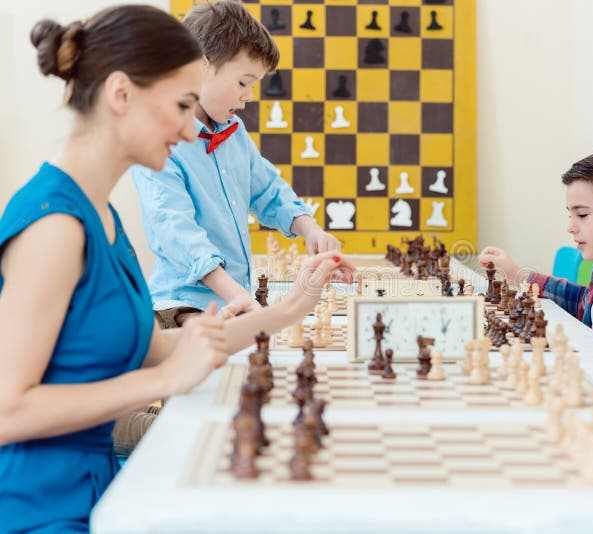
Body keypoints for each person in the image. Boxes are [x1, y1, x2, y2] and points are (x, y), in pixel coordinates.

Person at [0, 7, 354, 532]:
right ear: (121, 95)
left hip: (97, 497)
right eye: (183, 106)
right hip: (43, 511)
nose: (195, 132)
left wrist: (293, 307)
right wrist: (165, 380)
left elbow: (161, 349)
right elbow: (8, 411)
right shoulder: (55, 224)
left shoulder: (103, 217)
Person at [132, 0, 339, 329]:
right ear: (202, 67)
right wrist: (235, 294)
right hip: (182, 307)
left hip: (232, 300)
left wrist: (309, 229)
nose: (249, 97)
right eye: (243, 83)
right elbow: (175, 230)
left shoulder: (234, 134)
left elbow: (268, 190)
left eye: (253, 85)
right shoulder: (161, 142)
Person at [479, 146, 593, 348]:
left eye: (582, 215)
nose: (570, 228)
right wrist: (517, 275)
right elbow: (579, 300)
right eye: (570, 215)